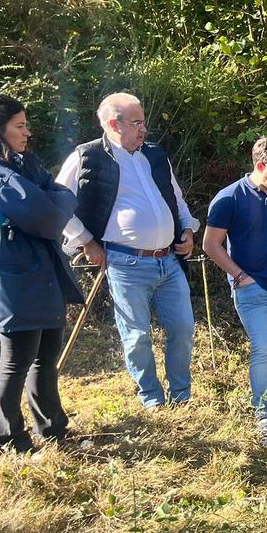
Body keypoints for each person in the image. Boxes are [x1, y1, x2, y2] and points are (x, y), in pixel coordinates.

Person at [0, 93, 85, 453]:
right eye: (19, 126)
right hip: (13, 280)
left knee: (46, 357)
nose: (27, 133)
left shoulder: (22, 162)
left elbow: (59, 197)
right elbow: (46, 217)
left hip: (42, 273)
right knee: (17, 360)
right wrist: (47, 203)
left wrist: (47, 203)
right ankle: (9, 439)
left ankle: (52, 429)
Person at [56, 93, 200, 410]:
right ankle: (151, 398)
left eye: (143, 122)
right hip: (125, 263)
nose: (143, 129)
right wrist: (86, 241)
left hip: (170, 260)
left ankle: (182, 396)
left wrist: (188, 230)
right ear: (113, 124)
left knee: (183, 329)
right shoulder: (87, 156)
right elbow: (58, 205)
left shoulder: (155, 155)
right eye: (136, 123)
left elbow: (176, 198)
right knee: (136, 336)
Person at [202, 137, 267, 447]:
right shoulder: (229, 197)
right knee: (263, 347)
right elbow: (210, 245)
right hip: (251, 288)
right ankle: (264, 414)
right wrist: (240, 276)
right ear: (260, 165)